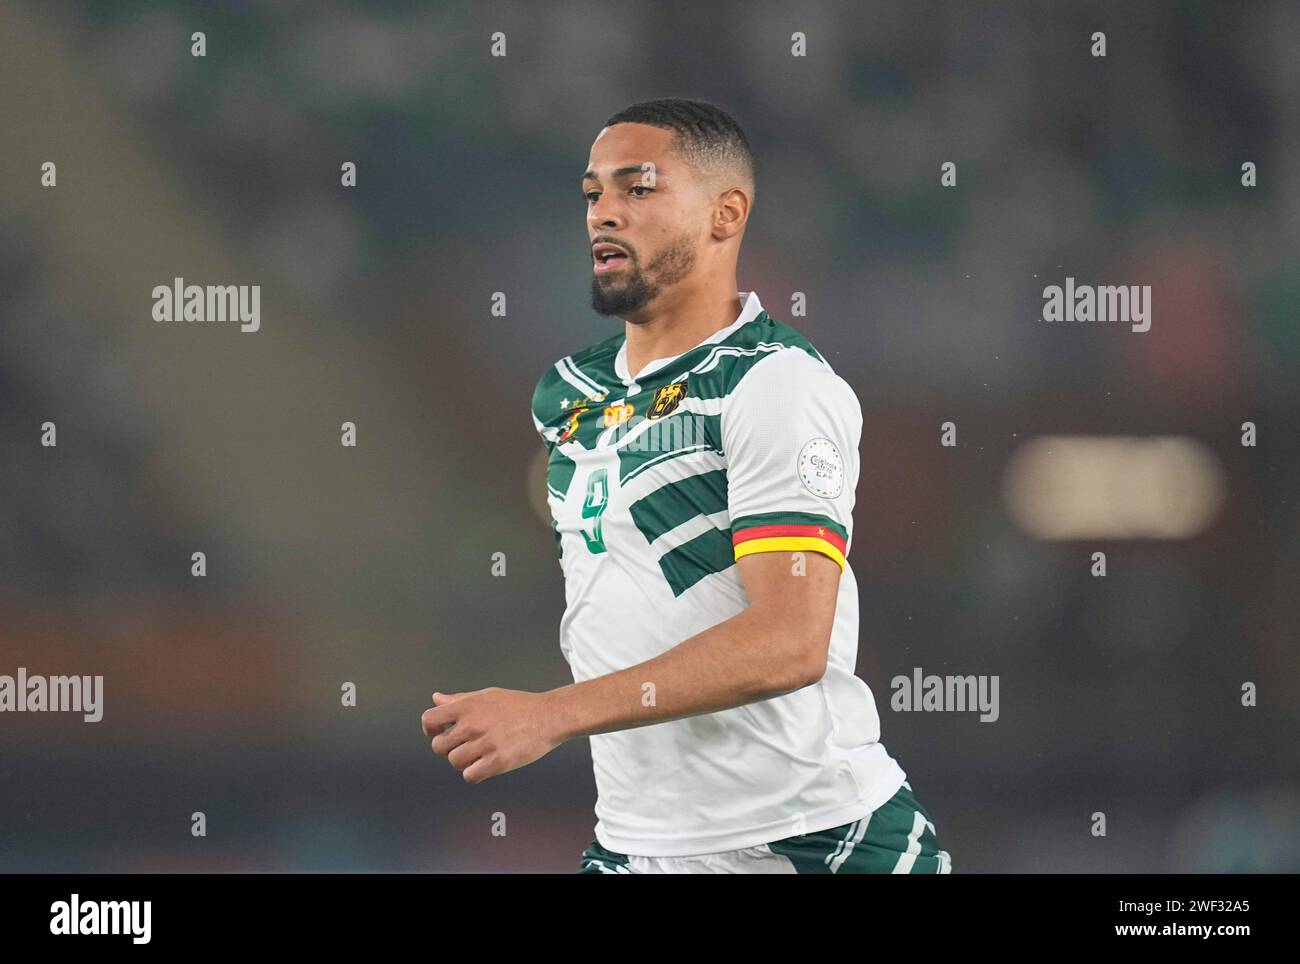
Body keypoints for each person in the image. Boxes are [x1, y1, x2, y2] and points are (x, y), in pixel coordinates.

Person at [422, 97, 951, 873]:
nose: (605, 212)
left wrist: (551, 715)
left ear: (725, 213)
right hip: (640, 846)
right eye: (593, 192)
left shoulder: (775, 385)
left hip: (812, 840)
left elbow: (788, 643)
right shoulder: (569, 392)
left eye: (638, 189)